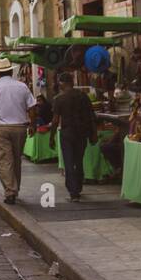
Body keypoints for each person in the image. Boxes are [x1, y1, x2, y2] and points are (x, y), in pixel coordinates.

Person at [0, 58, 36, 204]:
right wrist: (33, 124)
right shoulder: (22, 86)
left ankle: (10, 191)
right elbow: (32, 107)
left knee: (5, 160)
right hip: (20, 127)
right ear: (11, 71)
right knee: (17, 159)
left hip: (2, 129)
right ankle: (15, 188)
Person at [51, 72, 98, 201]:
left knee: (69, 162)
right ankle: (78, 186)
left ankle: (73, 192)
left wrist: (51, 137)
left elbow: (55, 121)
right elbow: (91, 116)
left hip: (67, 134)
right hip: (81, 133)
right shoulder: (83, 96)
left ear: (63, 83)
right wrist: (93, 134)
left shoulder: (59, 99)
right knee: (78, 160)